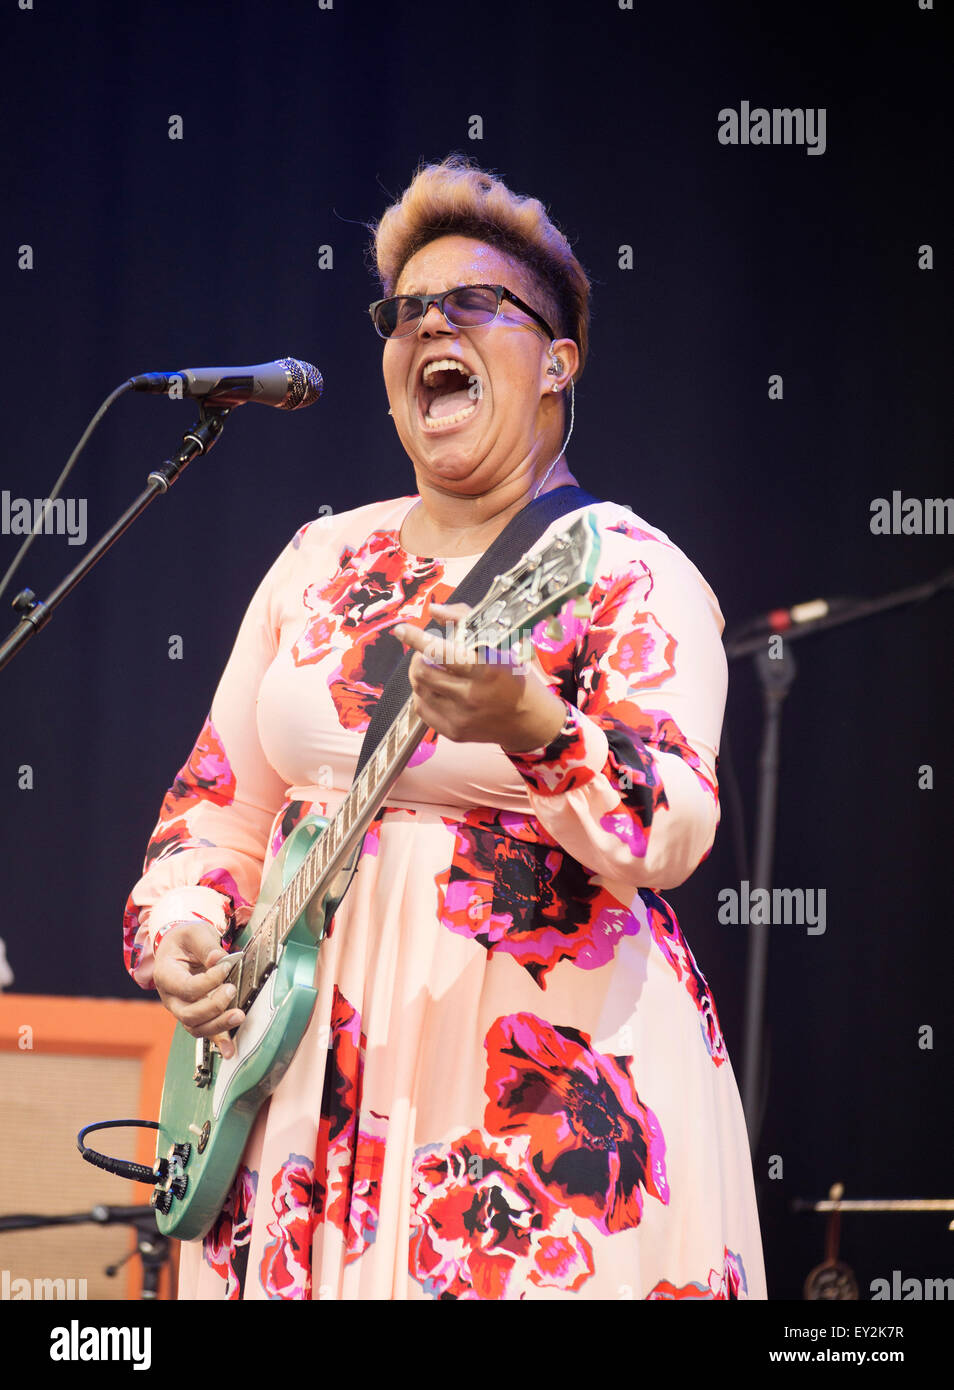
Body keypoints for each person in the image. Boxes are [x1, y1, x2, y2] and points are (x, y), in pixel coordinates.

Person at [123, 154, 766, 1300]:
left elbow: (672, 828)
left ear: (557, 361)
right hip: (294, 1091)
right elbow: (215, 808)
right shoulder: (320, 560)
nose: (429, 327)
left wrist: (535, 722)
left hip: (529, 1124)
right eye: (404, 312)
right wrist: (185, 925)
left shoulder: (627, 569)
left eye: (471, 306)